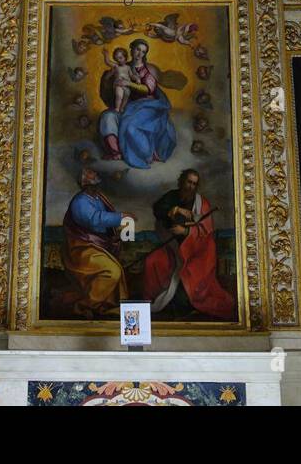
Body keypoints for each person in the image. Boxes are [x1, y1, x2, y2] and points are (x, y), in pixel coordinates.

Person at [142, 169, 236, 319]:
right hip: (173, 247)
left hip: (197, 252)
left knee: (184, 292)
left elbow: (206, 230)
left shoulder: (202, 203)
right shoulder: (172, 196)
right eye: (189, 182)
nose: (191, 186)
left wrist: (185, 232)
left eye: (194, 184)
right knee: (152, 261)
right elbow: (158, 208)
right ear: (181, 181)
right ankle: (150, 300)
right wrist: (176, 209)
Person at [60, 167, 132, 318]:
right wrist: (120, 216)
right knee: (112, 272)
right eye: (94, 182)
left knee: (117, 269)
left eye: (98, 182)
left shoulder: (98, 198)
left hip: (96, 246)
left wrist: (114, 235)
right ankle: (85, 305)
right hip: (81, 249)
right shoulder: (79, 202)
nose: (98, 185)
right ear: (85, 184)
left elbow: (103, 225)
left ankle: (105, 305)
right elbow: (94, 219)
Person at [97, 38, 176, 167]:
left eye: (143, 52)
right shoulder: (123, 65)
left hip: (147, 106)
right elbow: (110, 84)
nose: (139, 53)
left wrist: (128, 83)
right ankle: (116, 151)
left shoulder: (147, 70)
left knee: (131, 124)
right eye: (137, 49)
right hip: (127, 105)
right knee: (107, 117)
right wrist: (109, 77)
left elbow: (148, 89)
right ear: (131, 49)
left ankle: (145, 154)